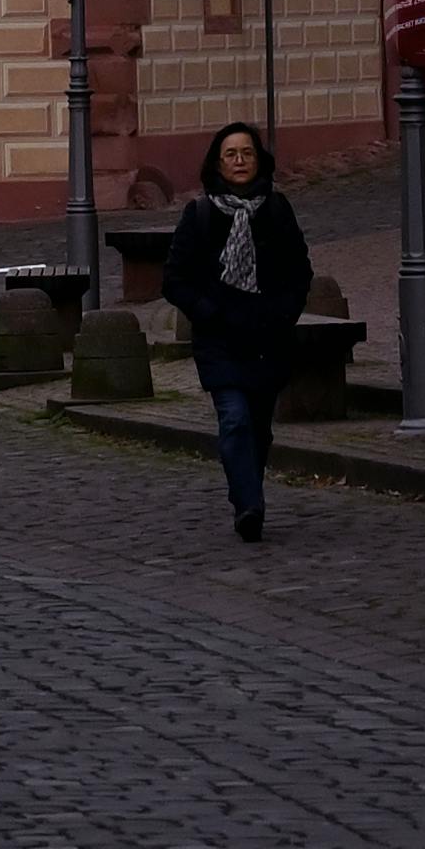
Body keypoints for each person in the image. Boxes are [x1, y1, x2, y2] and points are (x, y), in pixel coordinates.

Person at [161, 120, 311, 543]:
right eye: (231, 154)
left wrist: (283, 313)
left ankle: (245, 488)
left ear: (259, 159)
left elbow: (300, 272)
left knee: (259, 427)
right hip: (220, 338)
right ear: (217, 162)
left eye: (247, 153)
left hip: (267, 338)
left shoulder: (277, 210)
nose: (240, 161)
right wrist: (208, 310)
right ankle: (250, 506)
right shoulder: (201, 214)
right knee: (235, 419)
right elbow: (174, 280)